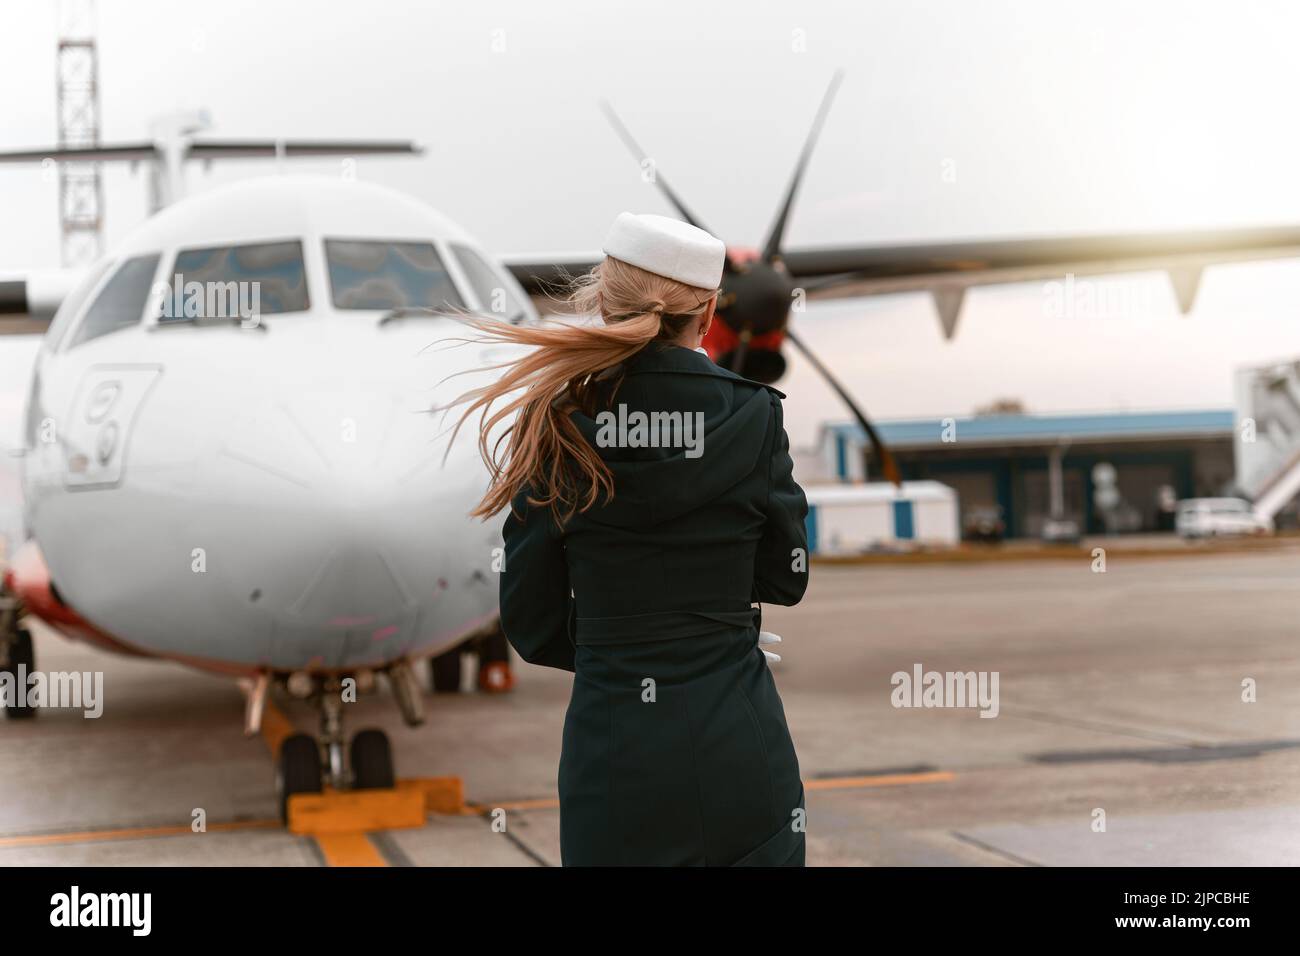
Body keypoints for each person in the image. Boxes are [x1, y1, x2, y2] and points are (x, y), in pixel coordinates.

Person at [451, 211, 809, 866]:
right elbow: (788, 577)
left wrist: (621, 640)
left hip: (615, 768)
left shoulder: (558, 423)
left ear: (607, 301)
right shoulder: (758, 414)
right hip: (741, 755)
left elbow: (531, 624)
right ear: (706, 313)